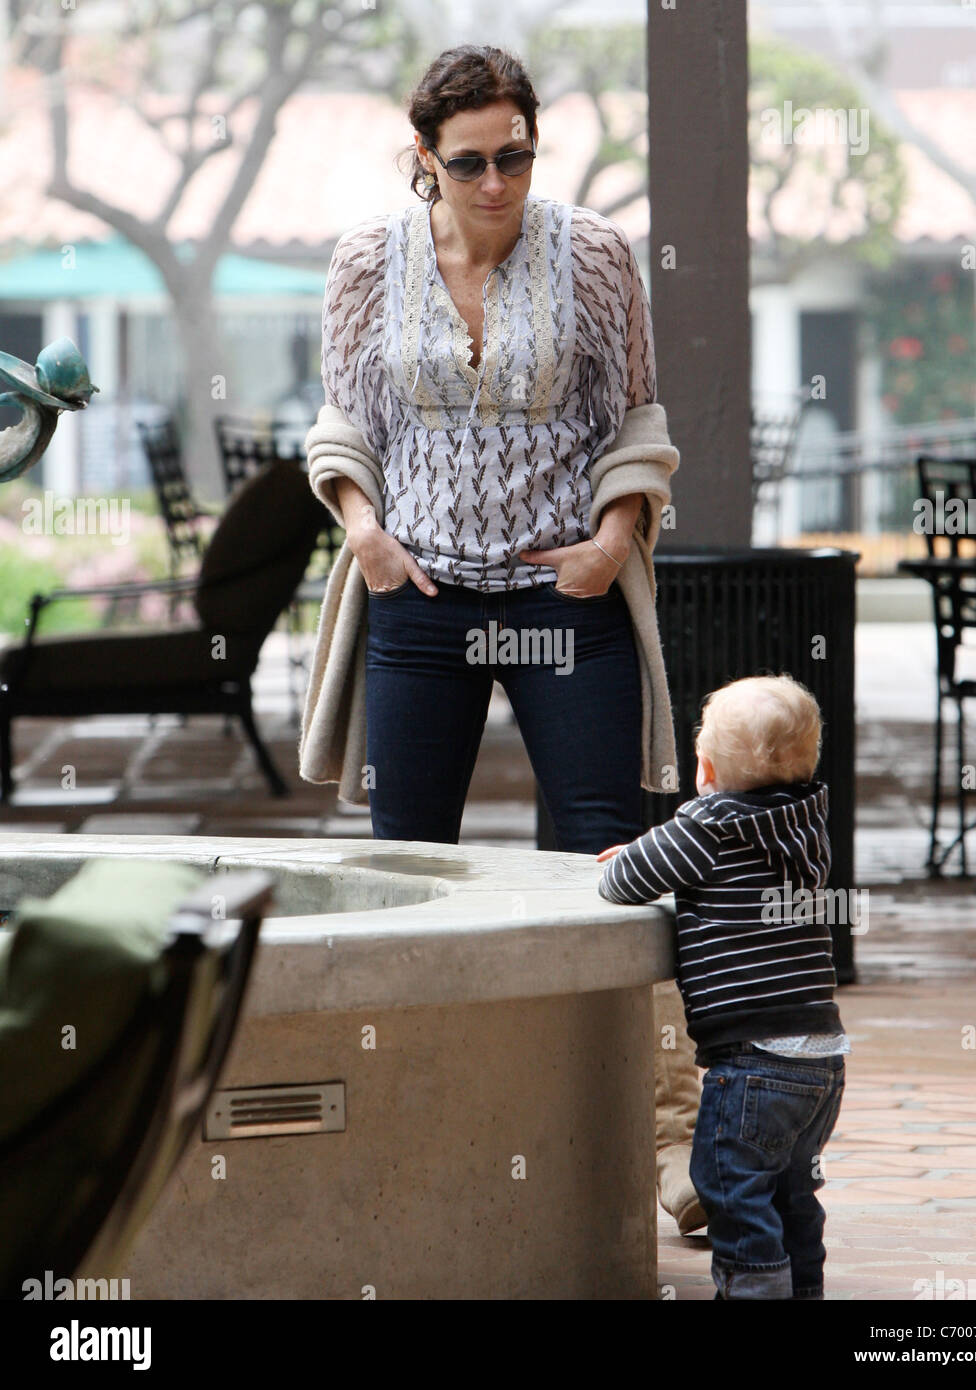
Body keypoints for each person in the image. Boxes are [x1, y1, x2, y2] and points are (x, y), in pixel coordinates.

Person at [298, 45, 707, 1232]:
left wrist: (609, 539)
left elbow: (634, 413)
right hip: (418, 599)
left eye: (514, 155)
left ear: (535, 142)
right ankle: (407, 1126)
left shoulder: (592, 254)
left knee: (606, 862)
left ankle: (663, 1144)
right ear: (424, 157)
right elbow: (344, 421)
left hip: (562, 601)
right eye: (467, 161)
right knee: (402, 868)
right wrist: (368, 536)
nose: (495, 182)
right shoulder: (368, 261)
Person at [597, 674, 849, 1300]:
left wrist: (632, 853)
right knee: (791, 1190)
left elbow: (624, 882)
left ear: (703, 766)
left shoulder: (709, 824)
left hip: (752, 1061)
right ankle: (805, 1288)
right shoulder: (806, 820)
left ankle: (754, 1292)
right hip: (821, 1056)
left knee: (730, 1186)